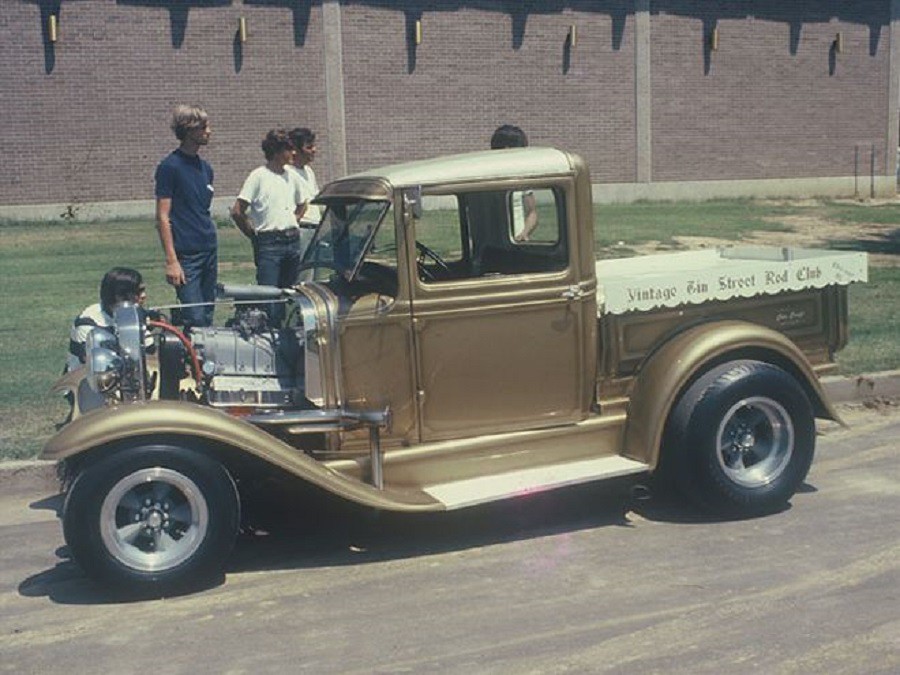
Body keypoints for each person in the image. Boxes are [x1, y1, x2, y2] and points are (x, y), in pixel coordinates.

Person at [231, 129, 306, 323]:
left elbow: (302, 203)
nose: (293, 154)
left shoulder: (292, 176)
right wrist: (253, 235)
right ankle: (272, 337)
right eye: (289, 149)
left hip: (292, 241)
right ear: (276, 150)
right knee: (269, 296)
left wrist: (293, 221)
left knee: (291, 294)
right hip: (269, 243)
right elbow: (238, 211)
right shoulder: (258, 176)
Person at [154, 104, 217, 328]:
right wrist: (172, 261)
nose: (209, 131)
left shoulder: (206, 168)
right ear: (189, 130)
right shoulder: (170, 167)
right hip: (187, 256)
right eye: (204, 127)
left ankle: (204, 362)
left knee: (207, 315)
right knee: (195, 317)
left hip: (209, 248)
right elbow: (163, 217)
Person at [66, 267, 146, 372]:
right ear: (119, 295)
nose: (144, 296)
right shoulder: (88, 323)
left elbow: (150, 352)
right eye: (139, 292)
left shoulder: (135, 317)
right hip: (87, 381)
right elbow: (94, 365)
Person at [490, 124, 538, 242]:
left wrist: (524, 233)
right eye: (502, 146)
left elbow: (532, 213)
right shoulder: (486, 175)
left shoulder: (522, 177)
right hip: (491, 243)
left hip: (517, 242)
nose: (507, 150)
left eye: (512, 146)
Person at [288, 127, 322, 258]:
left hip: (315, 229)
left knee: (313, 276)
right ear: (295, 150)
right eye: (309, 147)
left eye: (313, 146)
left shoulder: (308, 171)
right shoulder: (287, 173)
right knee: (301, 275)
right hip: (301, 230)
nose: (314, 150)